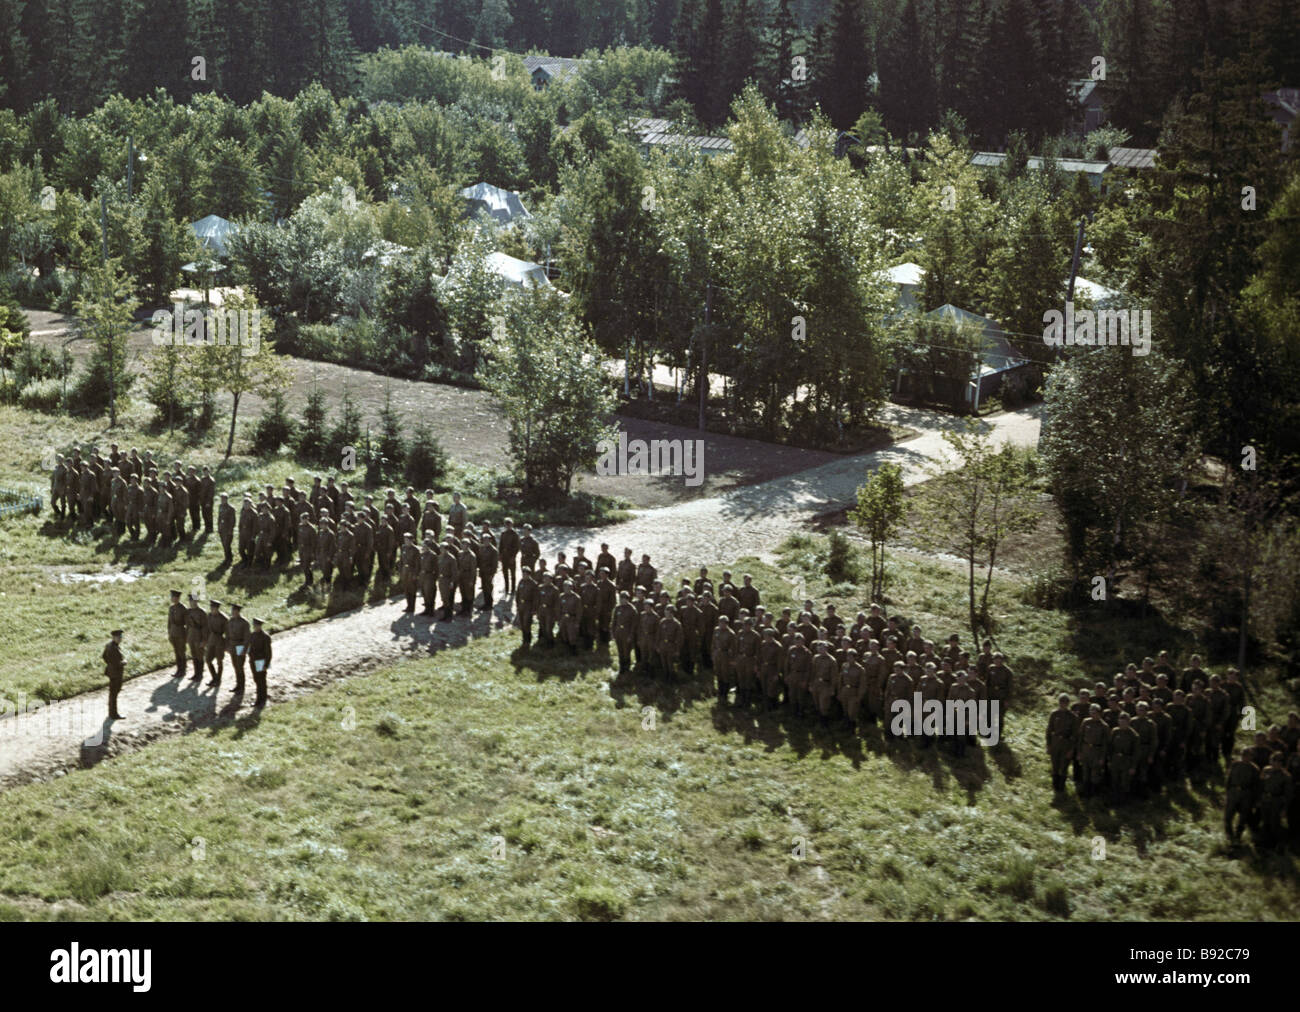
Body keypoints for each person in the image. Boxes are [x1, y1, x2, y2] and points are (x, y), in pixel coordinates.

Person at [1224, 746, 1260, 843]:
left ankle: (1238, 837)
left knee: (1243, 818)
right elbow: (1229, 778)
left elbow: (1256, 786)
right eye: (1244, 755)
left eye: (1248, 755)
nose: (1245, 757)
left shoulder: (1254, 769)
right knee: (1228, 816)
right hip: (1233, 792)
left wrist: (1254, 800)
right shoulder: (1235, 764)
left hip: (1246, 794)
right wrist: (1227, 792)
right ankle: (1229, 837)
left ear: (1251, 757)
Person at [1046, 693, 1078, 792]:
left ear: (1068, 703)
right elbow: (1049, 730)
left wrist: (1072, 749)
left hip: (1066, 743)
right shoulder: (1054, 714)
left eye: (1065, 701)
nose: (1063, 703)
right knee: (1055, 765)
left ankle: (1062, 788)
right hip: (1055, 742)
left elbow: (1075, 735)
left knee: (1064, 766)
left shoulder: (1073, 717)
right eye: (1061, 701)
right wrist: (1048, 744)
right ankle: (1055, 787)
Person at [227, 603, 250, 694]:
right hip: (232, 645)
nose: (233, 612)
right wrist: (227, 646)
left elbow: (247, 638)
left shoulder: (244, 622)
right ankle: (238, 685)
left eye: (235, 611)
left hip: (240, 645)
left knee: (240, 666)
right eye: (232, 611)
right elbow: (228, 635)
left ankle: (242, 686)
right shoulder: (230, 621)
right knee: (235, 666)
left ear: (238, 612)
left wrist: (244, 650)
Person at [249, 618, 272, 707]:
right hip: (253, 661)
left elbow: (268, 652)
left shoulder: (265, 637)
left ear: (260, 626)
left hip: (261, 661)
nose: (255, 627)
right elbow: (250, 648)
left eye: (256, 625)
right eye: (254, 625)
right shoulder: (252, 635)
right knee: (256, 679)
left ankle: (261, 699)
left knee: (261, 680)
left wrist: (266, 664)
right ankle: (261, 698)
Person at [205, 599, 228, 686]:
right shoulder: (209, 616)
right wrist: (206, 641)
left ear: (218, 608)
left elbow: (227, 634)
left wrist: (226, 646)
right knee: (208, 660)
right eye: (211, 607)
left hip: (219, 642)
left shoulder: (224, 618)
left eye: (214, 608)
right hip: (211, 641)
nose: (212, 609)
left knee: (219, 662)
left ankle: (218, 680)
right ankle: (214, 677)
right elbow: (207, 629)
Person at [103, 629, 125, 720]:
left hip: (111, 672)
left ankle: (111, 712)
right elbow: (117, 663)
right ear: (114, 637)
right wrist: (123, 662)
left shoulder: (109, 645)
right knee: (114, 693)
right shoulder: (113, 648)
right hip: (116, 673)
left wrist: (110, 664)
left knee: (113, 693)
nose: (120, 639)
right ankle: (113, 714)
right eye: (118, 637)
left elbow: (104, 656)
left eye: (121, 637)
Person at [185, 594, 206, 680]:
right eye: (190, 601)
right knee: (194, 655)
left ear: (197, 601)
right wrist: (186, 637)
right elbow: (187, 625)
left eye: (193, 601)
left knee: (199, 656)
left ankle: (200, 674)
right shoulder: (188, 611)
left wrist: (204, 640)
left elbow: (205, 627)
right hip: (191, 636)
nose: (191, 603)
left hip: (199, 636)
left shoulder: (201, 612)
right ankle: (195, 673)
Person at [167, 589, 188, 677]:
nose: (172, 598)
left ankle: (183, 670)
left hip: (180, 633)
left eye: (174, 597)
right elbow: (169, 622)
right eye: (171, 597)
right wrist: (169, 632)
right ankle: (179, 669)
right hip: (173, 633)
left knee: (181, 652)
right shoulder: (171, 608)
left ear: (178, 598)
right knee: (176, 652)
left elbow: (187, 623)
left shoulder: (183, 608)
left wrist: (186, 636)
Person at [217, 492, 236, 565]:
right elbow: (219, 517)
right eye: (221, 498)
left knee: (227, 544)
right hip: (222, 529)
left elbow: (232, 521)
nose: (222, 500)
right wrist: (219, 527)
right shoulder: (220, 506)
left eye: (224, 499)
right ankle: (227, 557)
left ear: (227, 499)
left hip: (228, 529)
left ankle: (229, 558)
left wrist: (230, 530)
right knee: (224, 544)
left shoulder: (231, 508)